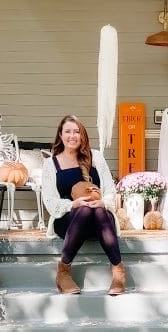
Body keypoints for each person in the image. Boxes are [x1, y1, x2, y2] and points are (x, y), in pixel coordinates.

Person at [41, 115, 126, 296]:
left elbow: (110, 189)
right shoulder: (51, 164)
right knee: (85, 210)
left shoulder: (95, 157)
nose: (72, 136)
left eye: (77, 131)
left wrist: (103, 202)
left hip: (100, 221)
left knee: (97, 210)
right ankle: (63, 272)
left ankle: (118, 271)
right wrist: (74, 204)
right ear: (60, 135)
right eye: (68, 132)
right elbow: (49, 200)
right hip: (69, 220)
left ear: (83, 135)